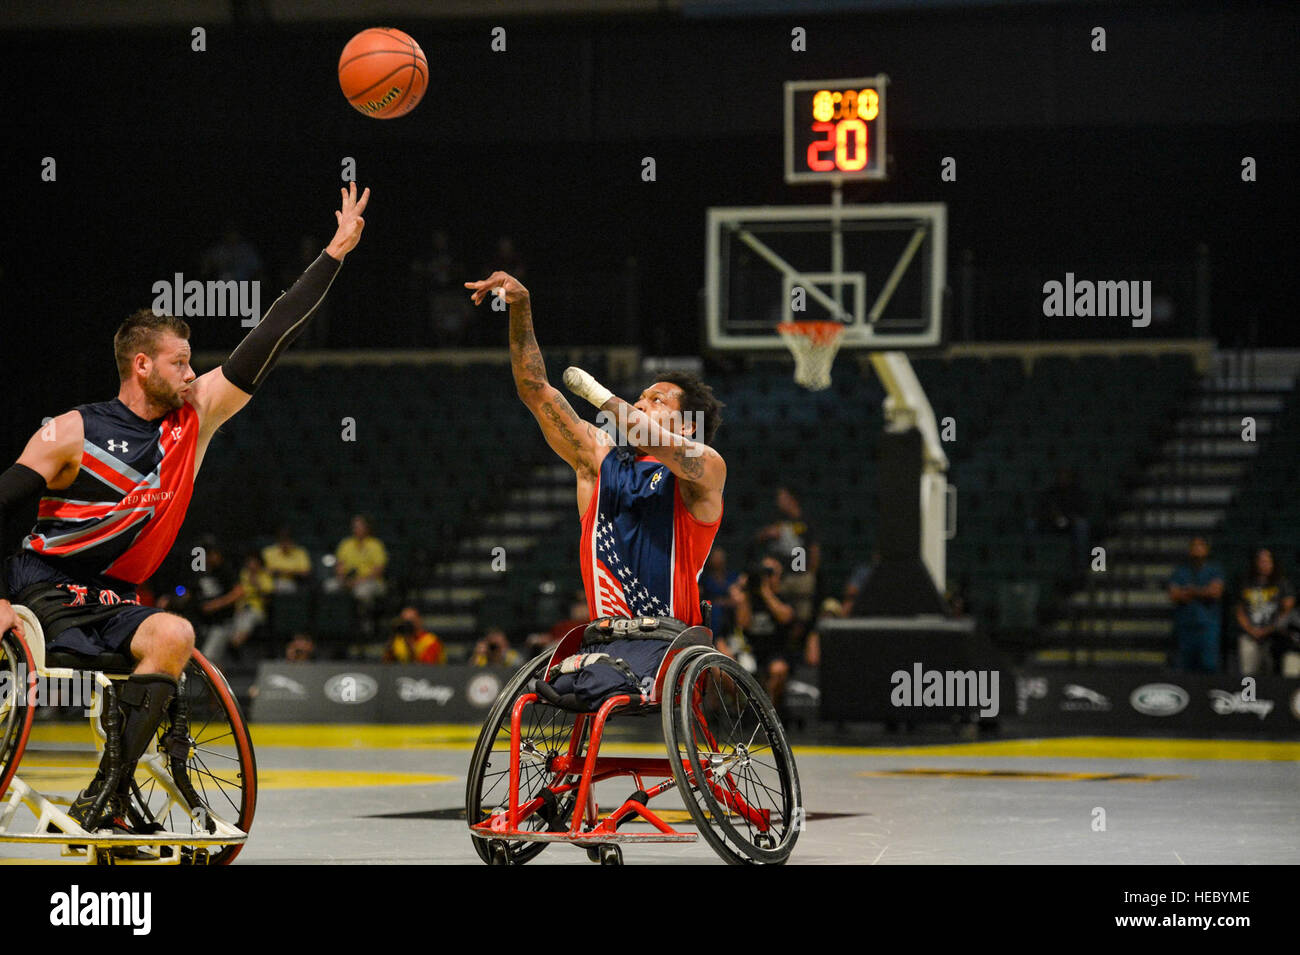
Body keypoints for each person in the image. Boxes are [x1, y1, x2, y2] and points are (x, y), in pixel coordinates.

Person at [0, 182, 369, 836]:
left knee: (175, 633)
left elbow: (273, 331)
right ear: (141, 365)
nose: (194, 372)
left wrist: (335, 252)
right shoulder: (71, 432)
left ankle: (106, 796)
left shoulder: (193, 417)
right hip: (45, 590)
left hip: (116, 598)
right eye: (180, 362)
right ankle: (111, 795)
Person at [464, 270, 724, 709]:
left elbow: (649, 438)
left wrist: (601, 397)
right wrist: (520, 309)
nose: (643, 402)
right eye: (641, 396)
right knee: (539, 696)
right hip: (604, 639)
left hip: (670, 647)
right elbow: (534, 390)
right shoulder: (598, 460)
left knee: (585, 685)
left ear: (686, 424)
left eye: (657, 399)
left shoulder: (704, 469)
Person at [734, 555, 798, 713]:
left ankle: (769, 715)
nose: (767, 578)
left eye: (770, 573)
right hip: (751, 651)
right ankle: (746, 713)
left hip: (776, 651)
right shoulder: (748, 598)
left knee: (778, 669)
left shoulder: (783, 596)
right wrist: (747, 591)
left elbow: (785, 617)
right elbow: (743, 624)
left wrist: (765, 591)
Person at [1167, 536, 1225, 672]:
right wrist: (1203, 591)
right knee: (1185, 665)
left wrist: (1191, 591)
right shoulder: (1180, 571)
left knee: (1208, 664)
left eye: (1200, 546)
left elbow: (1215, 593)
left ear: (1207, 550)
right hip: (1186, 624)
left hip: (1207, 624)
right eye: (1194, 546)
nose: (1197, 549)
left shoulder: (1215, 570)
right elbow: (1174, 594)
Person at [1234, 547, 1294, 675]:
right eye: (1261, 561)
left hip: (1273, 636)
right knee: (1248, 673)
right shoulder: (1246, 583)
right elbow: (1239, 611)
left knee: (1271, 672)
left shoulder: (1282, 584)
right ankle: (1248, 695)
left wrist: (1268, 630)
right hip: (1249, 636)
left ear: (1273, 563)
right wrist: (1252, 630)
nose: (1264, 564)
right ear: (1255, 563)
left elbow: (1287, 609)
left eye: (1267, 561)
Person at [332, 514, 387, 606]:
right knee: (330, 586)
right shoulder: (346, 544)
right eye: (354, 526)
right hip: (348, 580)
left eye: (359, 526)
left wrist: (358, 581)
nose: (356, 529)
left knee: (361, 591)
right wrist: (343, 579)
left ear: (367, 528)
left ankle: (364, 618)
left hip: (371, 581)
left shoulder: (376, 545)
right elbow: (339, 566)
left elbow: (378, 571)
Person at [262, 525, 312, 593]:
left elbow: (306, 572)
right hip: (271, 582)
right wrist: (292, 571)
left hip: (294, 582)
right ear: (278, 539)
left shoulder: (300, 552)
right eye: (282, 539)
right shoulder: (268, 552)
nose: (285, 543)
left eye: (287, 539)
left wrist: (282, 571)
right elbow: (265, 570)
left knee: (287, 585)